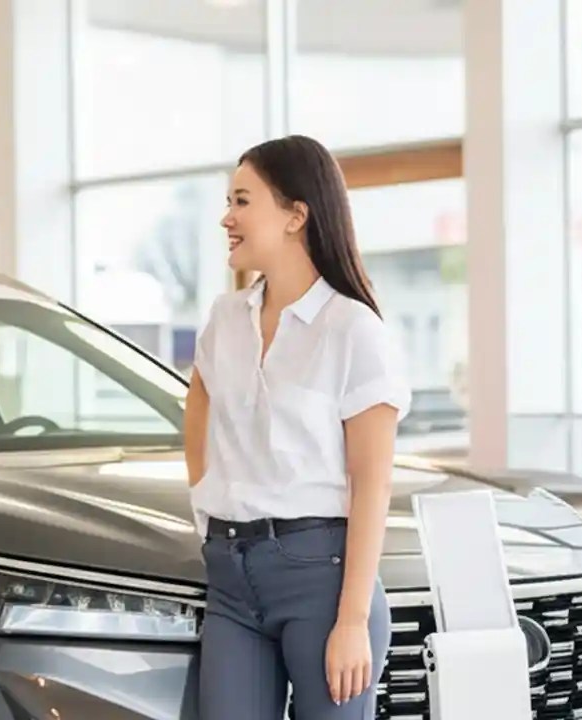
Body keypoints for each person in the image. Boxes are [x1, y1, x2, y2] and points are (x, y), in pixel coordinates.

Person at [185, 135, 410, 719]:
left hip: (322, 580)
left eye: (241, 201)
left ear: (295, 215)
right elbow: (199, 409)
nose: (226, 218)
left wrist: (353, 620)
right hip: (231, 578)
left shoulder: (353, 330)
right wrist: (208, 506)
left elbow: (373, 486)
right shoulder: (224, 319)